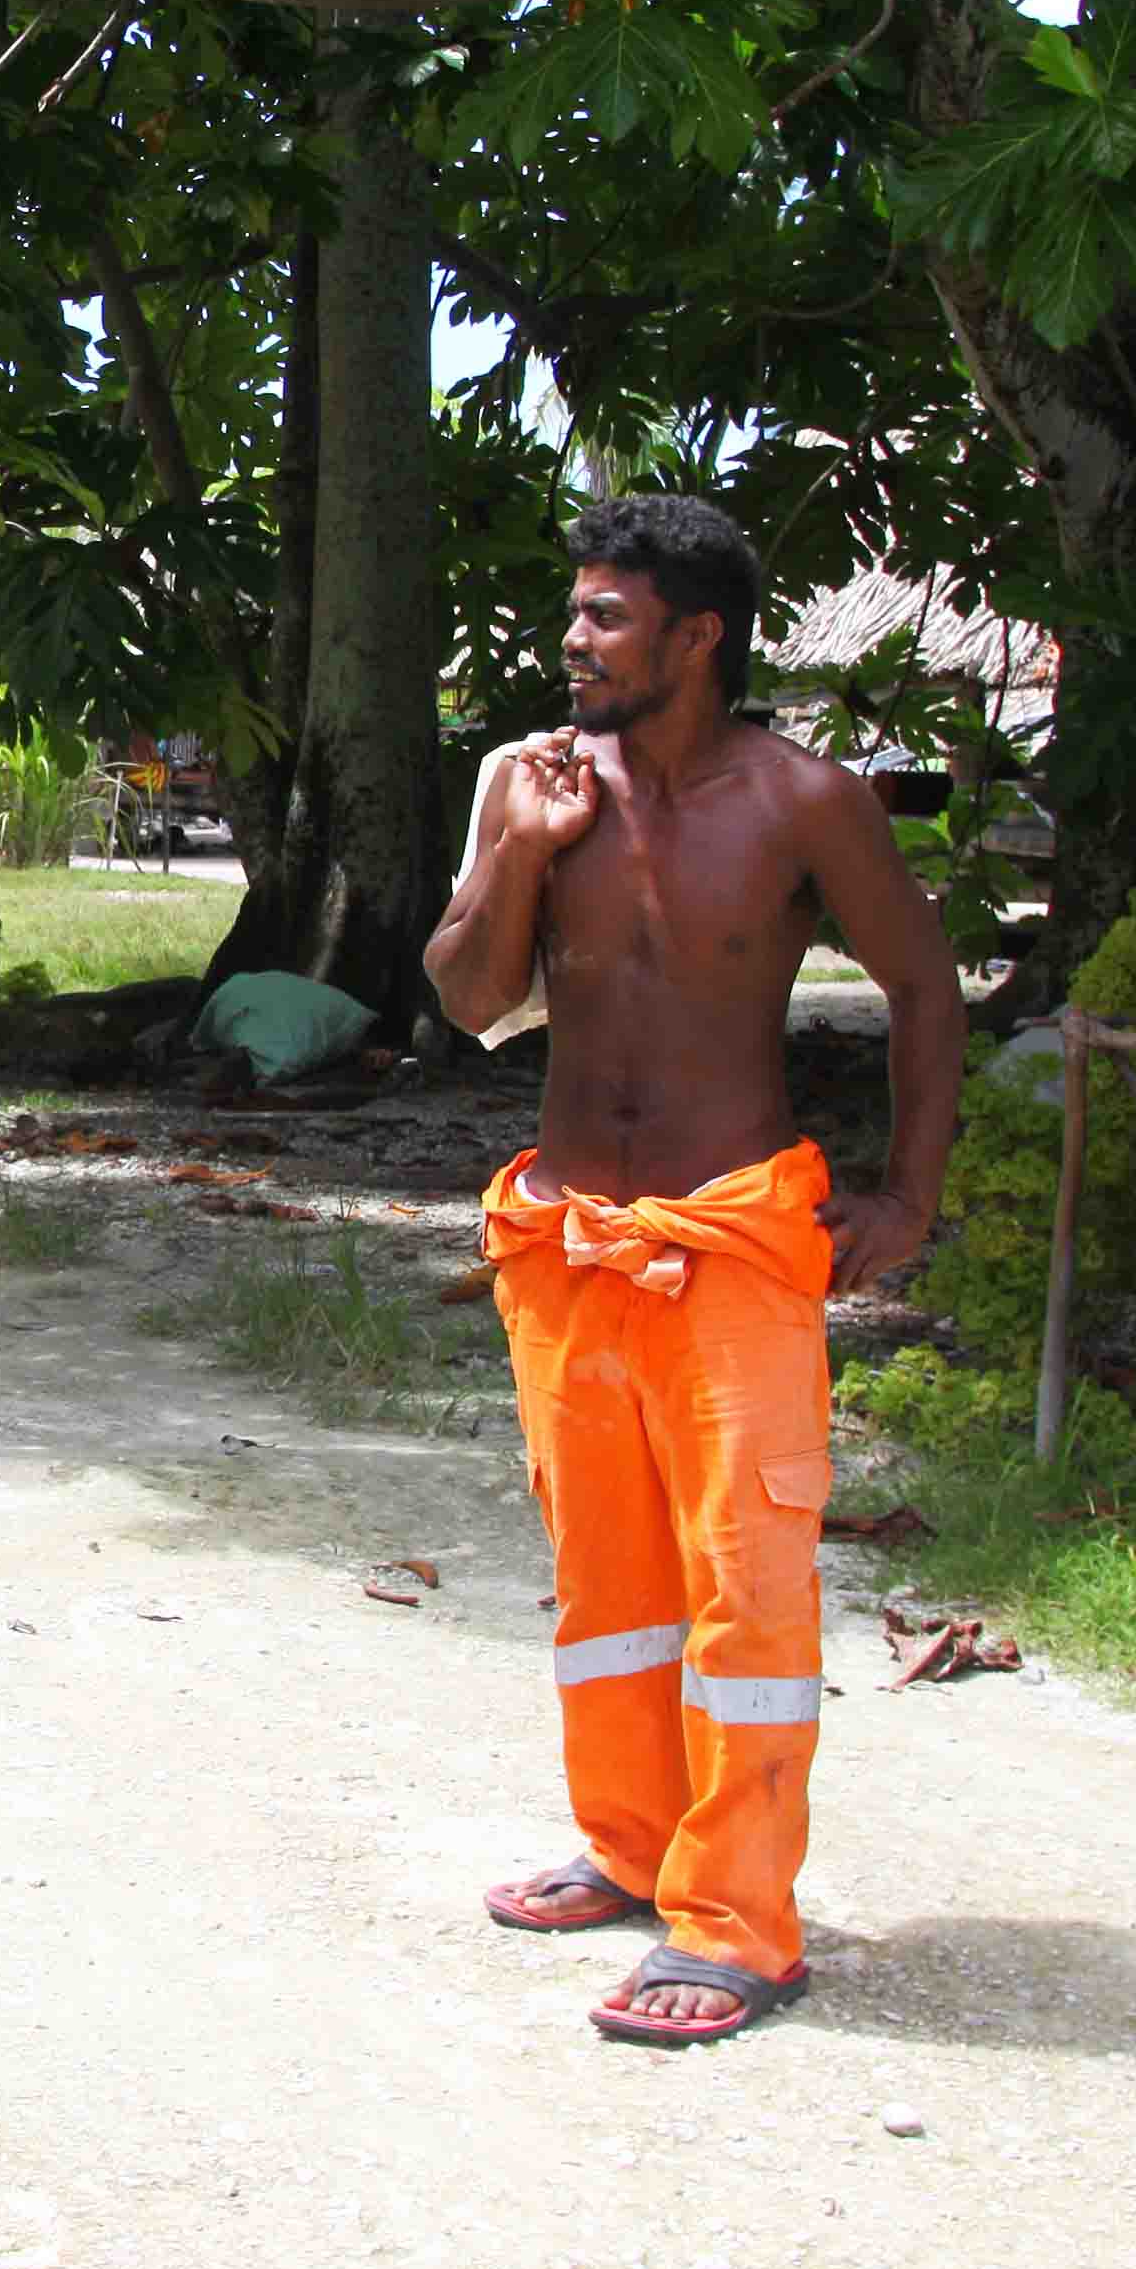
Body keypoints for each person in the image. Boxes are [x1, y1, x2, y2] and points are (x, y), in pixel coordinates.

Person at [422, 493, 966, 2048]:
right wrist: (518, 853)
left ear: (696, 635)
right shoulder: (538, 784)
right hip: (566, 1241)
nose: (572, 639)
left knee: (746, 1586)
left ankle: (739, 1923)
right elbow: (467, 998)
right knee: (610, 1576)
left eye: (604, 614)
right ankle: (631, 1848)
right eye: (577, 611)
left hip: (731, 1235)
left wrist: (907, 1195)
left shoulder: (805, 802)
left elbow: (925, 990)